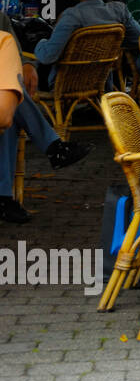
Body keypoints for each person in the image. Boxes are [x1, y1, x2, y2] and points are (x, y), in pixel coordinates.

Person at [0, 12, 92, 224]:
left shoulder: (1, 20)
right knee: (10, 94)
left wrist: (27, 64)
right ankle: (53, 147)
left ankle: (4, 198)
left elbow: (12, 52)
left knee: (10, 100)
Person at [36, 0, 140, 87]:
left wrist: (40, 43)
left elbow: (48, 56)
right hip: (102, 85)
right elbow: (139, 39)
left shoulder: (72, 16)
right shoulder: (119, 11)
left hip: (66, 86)